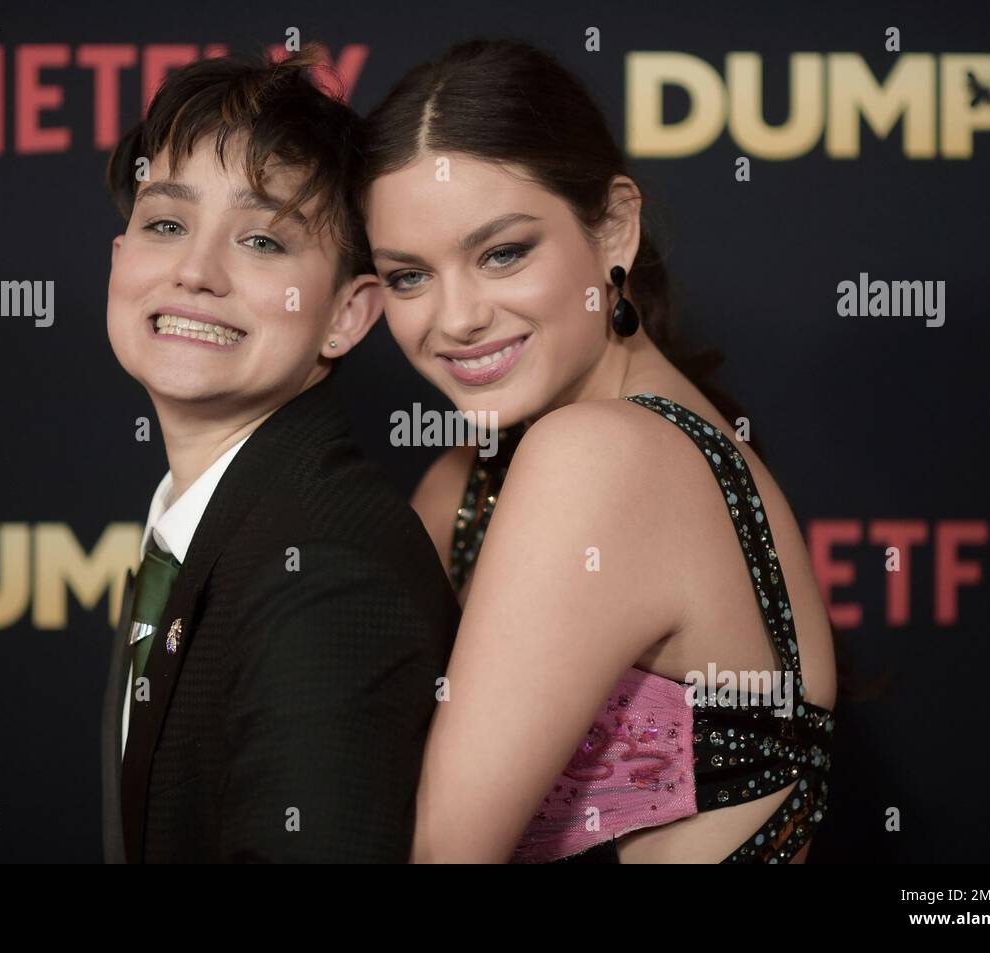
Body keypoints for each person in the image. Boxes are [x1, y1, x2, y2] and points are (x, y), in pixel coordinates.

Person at [359, 38, 838, 863]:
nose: (456, 316)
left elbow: (435, 852)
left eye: (502, 252)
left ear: (614, 226)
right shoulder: (465, 486)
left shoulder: (601, 457)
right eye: (408, 276)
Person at [98, 46, 458, 863]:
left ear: (347, 314)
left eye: (262, 241)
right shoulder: (202, 529)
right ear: (118, 265)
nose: (195, 270)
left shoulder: (326, 565)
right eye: (165, 224)